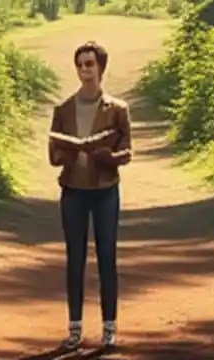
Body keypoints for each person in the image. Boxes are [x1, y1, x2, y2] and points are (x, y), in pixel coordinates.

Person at [48, 40, 133, 351]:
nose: (85, 70)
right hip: (73, 192)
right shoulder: (63, 109)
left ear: (101, 68)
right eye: (81, 64)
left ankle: (109, 328)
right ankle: (75, 329)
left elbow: (127, 151)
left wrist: (107, 157)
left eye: (90, 64)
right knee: (75, 260)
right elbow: (53, 154)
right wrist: (69, 154)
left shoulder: (118, 109)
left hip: (105, 191)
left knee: (107, 259)